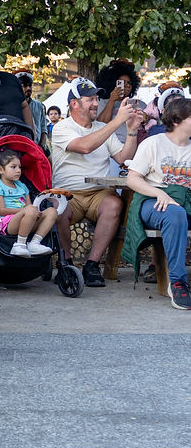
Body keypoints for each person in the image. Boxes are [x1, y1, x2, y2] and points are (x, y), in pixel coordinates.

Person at [51, 77, 142, 286]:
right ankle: (67, 265)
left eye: (96, 99)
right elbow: (84, 146)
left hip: (98, 193)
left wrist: (131, 130)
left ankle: (92, 265)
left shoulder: (103, 127)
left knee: (114, 204)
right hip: (67, 193)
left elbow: (123, 158)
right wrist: (116, 122)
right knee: (57, 207)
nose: (95, 103)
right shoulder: (61, 128)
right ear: (74, 103)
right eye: (90, 99)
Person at [123, 97, 191, 309]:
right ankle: (178, 282)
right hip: (154, 202)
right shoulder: (153, 143)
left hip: (185, 201)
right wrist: (159, 194)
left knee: (178, 210)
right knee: (175, 213)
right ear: (178, 120)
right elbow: (132, 178)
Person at [0, 149, 56, 257]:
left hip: (27, 218)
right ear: (0, 169)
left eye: (20, 167)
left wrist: (32, 211)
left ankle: (34, 242)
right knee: (30, 209)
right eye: (13, 167)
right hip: (8, 223)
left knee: (52, 211)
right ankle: (19, 244)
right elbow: (2, 210)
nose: (18, 170)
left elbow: (29, 206)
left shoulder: (22, 186)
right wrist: (25, 210)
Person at [95, 59, 142, 142]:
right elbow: (101, 126)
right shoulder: (101, 102)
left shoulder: (137, 103)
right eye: (122, 82)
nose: (127, 85)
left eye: (129, 83)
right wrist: (112, 100)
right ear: (113, 83)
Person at [15, 71, 47, 146]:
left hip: (38, 146)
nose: (28, 88)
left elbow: (43, 128)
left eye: (30, 85)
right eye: (24, 86)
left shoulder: (38, 105)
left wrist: (41, 147)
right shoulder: (13, 106)